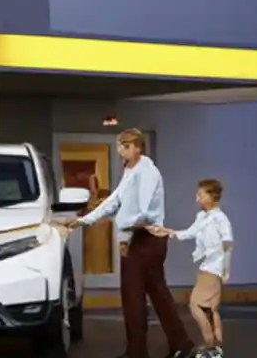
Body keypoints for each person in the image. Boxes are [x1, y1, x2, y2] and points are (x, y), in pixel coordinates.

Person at [59, 128, 194, 358]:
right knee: (146, 296)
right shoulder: (131, 171)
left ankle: (152, 350)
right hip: (138, 238)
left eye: (125, 145)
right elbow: (114, 201)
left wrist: (125, 235)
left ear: (138, 148)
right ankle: (174, 346)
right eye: (120, 145)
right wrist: (82, 221)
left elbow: (142, 213)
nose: (121, 150)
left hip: (146, 239)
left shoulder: (147, 172)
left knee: (138, 296)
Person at [149, 179, 234, 357]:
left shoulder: (220, 219)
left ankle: (210, 345)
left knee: (196, 305)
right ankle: (216, 346)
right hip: (206, 267)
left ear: (212, 196)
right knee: (209, 309)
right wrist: (168, 232)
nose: (197, 198)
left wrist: (226, 269)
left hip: (214, 268)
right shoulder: (202, 217)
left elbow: (228, 243)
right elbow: (190, 232)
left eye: (201, 194)